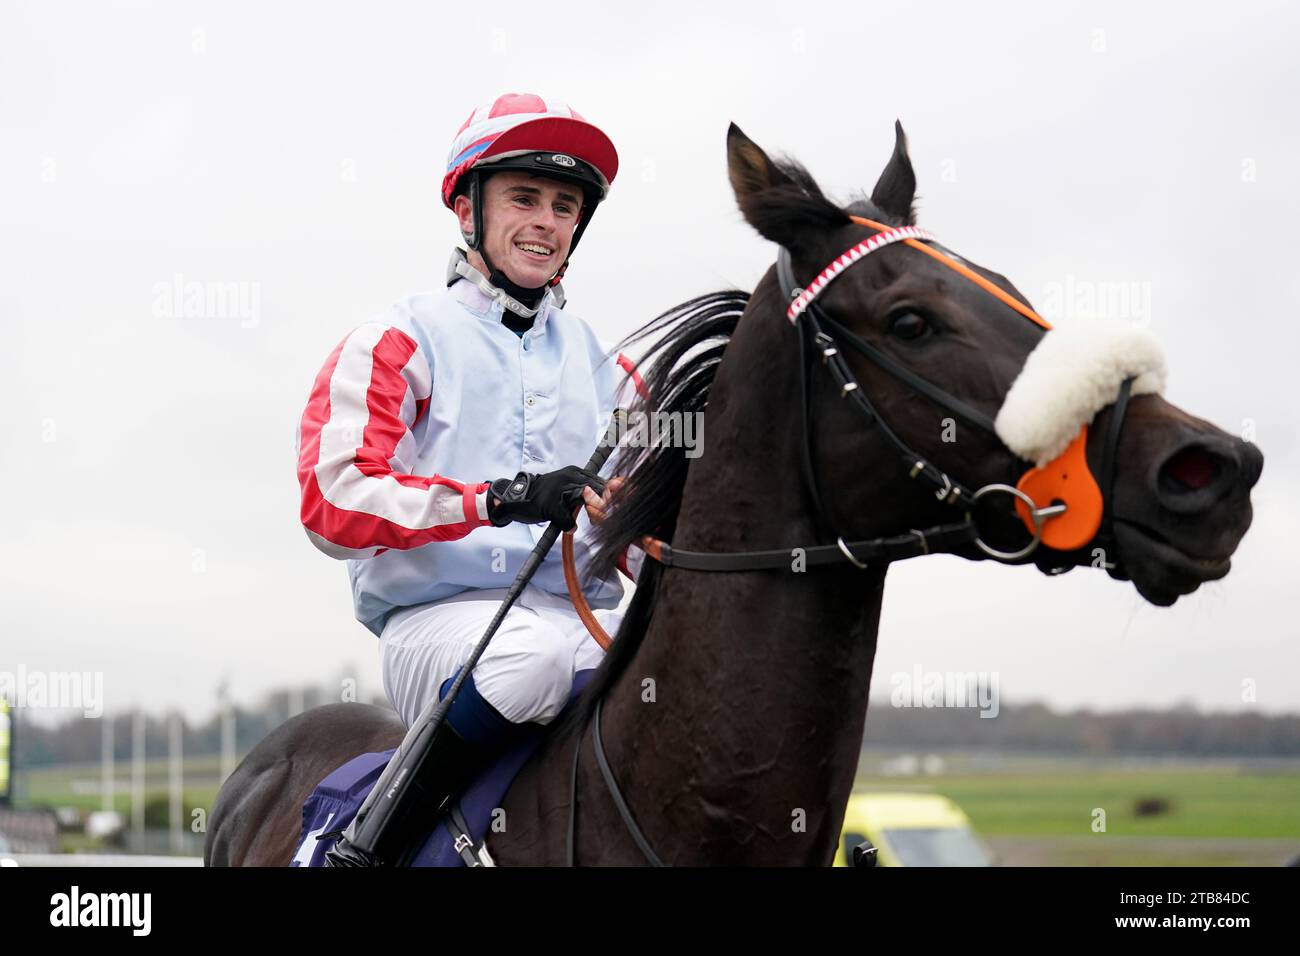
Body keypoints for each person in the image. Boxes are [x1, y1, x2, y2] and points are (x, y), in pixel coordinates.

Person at [295, 93, 643, 866]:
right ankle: (374, 843)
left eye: (564, 205)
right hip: (442, 625)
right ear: (466, 208)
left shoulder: (614, 373)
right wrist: (498, 498)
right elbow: (331, 501)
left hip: (579, 622)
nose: (547, 222)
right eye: (524, 197)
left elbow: (656, 531)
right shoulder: (395, 339)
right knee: (532, 662)